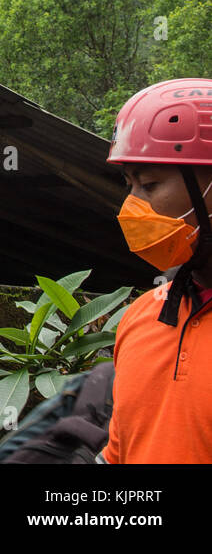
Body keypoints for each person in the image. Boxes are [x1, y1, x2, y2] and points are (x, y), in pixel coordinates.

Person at [103, 78, 212, 463]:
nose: (131, 206)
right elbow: (122, 451)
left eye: (149, 184)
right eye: (129, 184)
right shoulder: (141, 317)